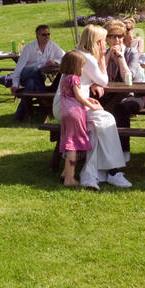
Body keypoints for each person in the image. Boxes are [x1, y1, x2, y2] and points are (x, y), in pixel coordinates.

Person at [74, 24, 133, 189]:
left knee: (98, 128)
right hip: (74, 105)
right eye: (104, 40)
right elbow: (104, 81)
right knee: (107, 119)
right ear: (97, 42)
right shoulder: (89, 58)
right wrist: (102, 58)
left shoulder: (78, 55)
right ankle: (113, 172)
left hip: (76, 102)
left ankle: (94, 175)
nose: (108, 44)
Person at [54, 51, 97, 187]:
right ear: (75, 66)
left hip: (65, 112)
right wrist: (92, 105)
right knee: (73, 145)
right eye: (82, 66)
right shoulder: (74, 79)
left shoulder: (64, 78)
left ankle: (64, 174)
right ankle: (70, 179)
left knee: (69, 141)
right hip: (75, 113)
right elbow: (78, 97)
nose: (83, 69)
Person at [102, 21, 143, 155]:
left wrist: (120, 58)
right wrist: (107, 56)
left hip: (132, 96)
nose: (117, 40)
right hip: (107, 95)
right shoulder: (102, 54)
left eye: (120, 36)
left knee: (121, 109)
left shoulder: (132, 53)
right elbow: (99, 75)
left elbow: (129, 79)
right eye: (113, 36)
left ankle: (124, 150)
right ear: (106, 39)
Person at [11, 23, 65, 119]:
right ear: (37, 36)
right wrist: (15, 84)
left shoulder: (52, 45)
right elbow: (19, 68)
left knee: (31, 84)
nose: (47, 37)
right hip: (25, 74)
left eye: (48, 34)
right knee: (36, 69)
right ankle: (45, 97)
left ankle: (19, 115)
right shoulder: (29, 48)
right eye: (44, 35)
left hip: (37, 78)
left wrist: (55, 62)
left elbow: (65, 57)